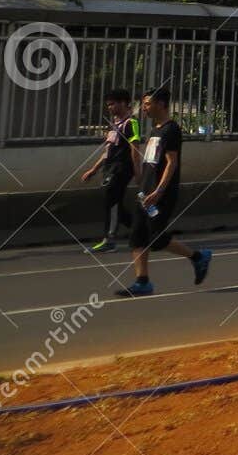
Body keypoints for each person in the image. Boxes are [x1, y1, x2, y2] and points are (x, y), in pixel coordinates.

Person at [116, 89, 212, 297]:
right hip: (146, 193)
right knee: (137, 235)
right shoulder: (155, 130)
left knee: (156, 238)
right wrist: (142, 183)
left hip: (161, 195)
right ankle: (142, 282)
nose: (144, 108)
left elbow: (171, 163)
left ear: (161, 104)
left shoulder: (171, 130)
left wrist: (159, 190)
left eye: (148, 104)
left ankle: (198, 257)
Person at [78, 86, 140, 253]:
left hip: (122, 168)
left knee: (111, 198)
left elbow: (135, 148)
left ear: (123, 103)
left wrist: (137, 172)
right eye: (108, 104)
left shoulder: (131, 123)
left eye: (112, 104)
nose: (109, 107)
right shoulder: (114, 126)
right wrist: (94, 169)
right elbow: (107, 151)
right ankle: (142, 229)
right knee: (114, 203)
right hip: (110, 168)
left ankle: (109, 239)